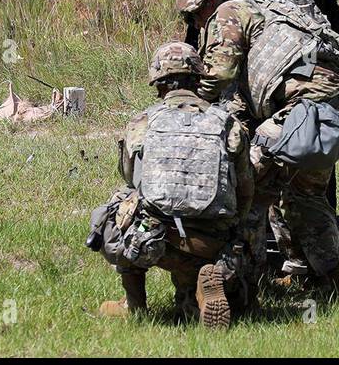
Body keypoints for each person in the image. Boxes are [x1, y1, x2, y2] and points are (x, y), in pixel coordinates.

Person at [178, 0, 339, 305]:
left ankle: (235, 285)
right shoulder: (276, 1)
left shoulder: (230, 12)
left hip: (303, 111)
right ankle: (338, 289)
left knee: (243, 188)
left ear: (209, 1)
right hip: (332, 106)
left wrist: (182, 104)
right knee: (302, 197)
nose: (195, 23)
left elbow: (217, 77)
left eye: (193, 15)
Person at [89, 41, 250, 327]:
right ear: (199, 80)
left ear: (158, 83)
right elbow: (245, 190)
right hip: (212, 240)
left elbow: (132, 179)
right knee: (225, 303)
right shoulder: (228, 123)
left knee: (116, 207)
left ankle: (135, 306)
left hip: (154, 238)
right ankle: (208, 285)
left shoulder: (143, 122)